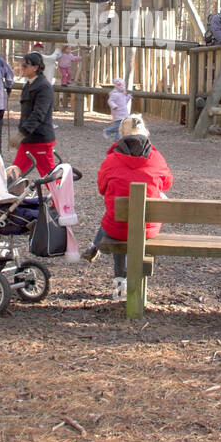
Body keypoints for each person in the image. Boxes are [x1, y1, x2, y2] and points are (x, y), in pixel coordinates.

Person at [82, 115, 173, 302]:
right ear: (145, 132)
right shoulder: (156, 158)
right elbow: (167, 183)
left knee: (117, 221)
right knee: (128, 222)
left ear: (121, 134)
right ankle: (135, 284)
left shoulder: (112, 160)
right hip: (148, 227)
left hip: (118, 226)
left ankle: (120, 283)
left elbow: (101, 188)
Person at [11, 51, 56, 178]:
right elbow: (26, 114)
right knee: (14, 174)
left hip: (40, 140)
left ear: (35, 67)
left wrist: (21, 133)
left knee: (49, 178)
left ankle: (60, 198)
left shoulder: (44, 87)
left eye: (25, 66)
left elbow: (38, 114)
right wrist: (22, 134)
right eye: (22, 65)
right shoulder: (29, 84)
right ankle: (12, 197)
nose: (22, 68)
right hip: (28, 140)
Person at [104, 77, 131, 142]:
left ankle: (116, 141)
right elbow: (110, 101)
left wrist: (128, 97)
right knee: (119, 127)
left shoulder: (123, 94)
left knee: (121, 128)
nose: (123, 88)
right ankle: (107, 131)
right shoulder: (114, 94)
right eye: (120, 86)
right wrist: (114, 106)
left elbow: (124, 102)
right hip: (118, 113)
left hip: (124, 113)